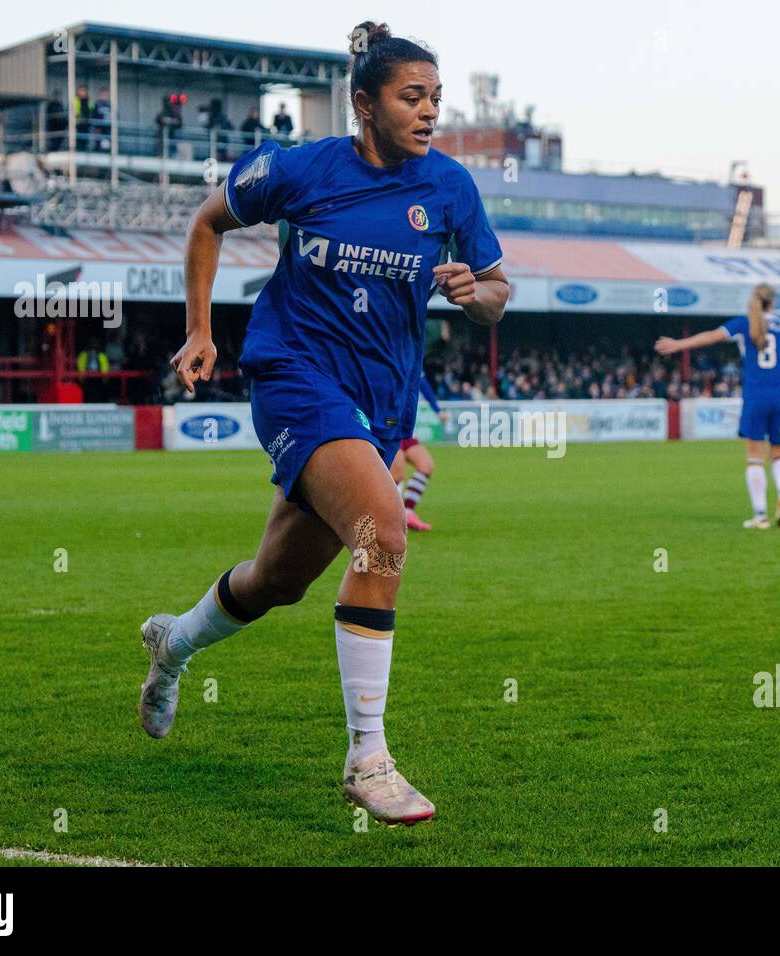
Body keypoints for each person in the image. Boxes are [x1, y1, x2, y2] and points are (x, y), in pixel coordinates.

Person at [137, 20, 508, 826]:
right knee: (383, 530)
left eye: (436, 98)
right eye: (412, 97)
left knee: (277, 581)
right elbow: (207, 223)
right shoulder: (301, 169)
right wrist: (201, 330)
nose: (430, 112)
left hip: (378, 407)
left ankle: (174, 645)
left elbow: (496, 291)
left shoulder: (449, 188)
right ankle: (367, 758)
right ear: (365, 104)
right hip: (294, 377)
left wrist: (474, 294)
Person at [656, 283, 780, 528]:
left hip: (755, 396)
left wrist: (680, 344)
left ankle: (760, 515)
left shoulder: (744, 323)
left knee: (754, 458)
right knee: (779, 454)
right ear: (774, 302)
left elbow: (711, 337)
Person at [390, 374, 447, 531]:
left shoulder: (411, 357)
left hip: (405, 429)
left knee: (426, 465)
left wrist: (437, 410)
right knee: (396, 475)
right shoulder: (388, 359)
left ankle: (407, 513)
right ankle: (384, 516)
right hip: (390, 426)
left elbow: (422, 383)